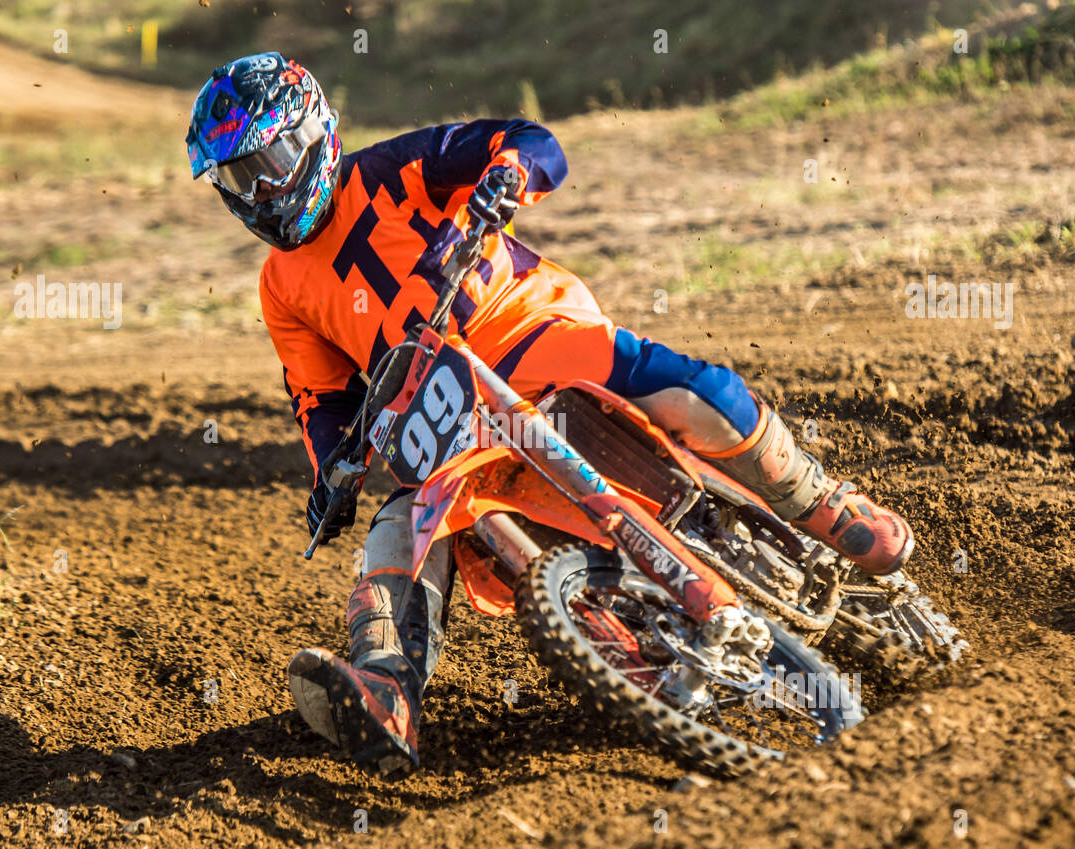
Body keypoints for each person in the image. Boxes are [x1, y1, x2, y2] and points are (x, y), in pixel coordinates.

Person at [186, 53, 913, 773]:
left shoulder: (396, 170)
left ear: (313, 133)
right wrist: (330, 473)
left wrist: (504, 177)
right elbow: (320, 397)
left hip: (532, 334)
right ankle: (386, 689)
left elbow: (532, 141)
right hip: (442, 412)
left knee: (699, 393)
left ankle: (822, 504)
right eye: (239, 180)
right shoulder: (280, 286)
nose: (261, 192)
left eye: (268, 164)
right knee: (397, 533)